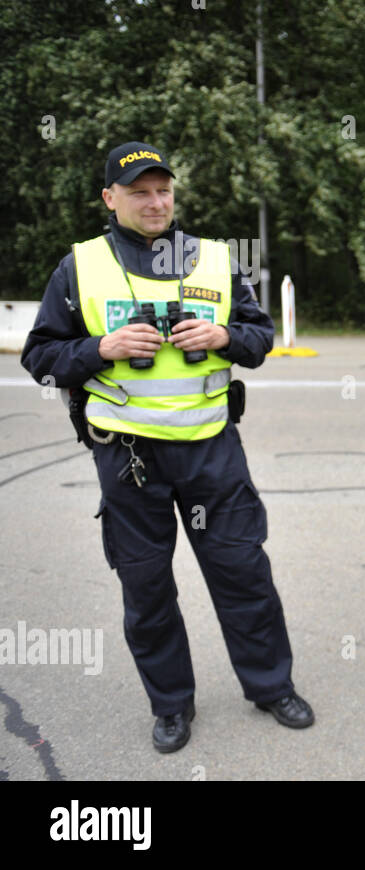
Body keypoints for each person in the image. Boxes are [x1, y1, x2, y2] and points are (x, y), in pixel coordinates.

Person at [21, 141, 313, 753]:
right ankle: (172, 705)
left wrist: (225, 335)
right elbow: (41, 358)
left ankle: (270, 686)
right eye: (139, 192)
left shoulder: (214, 260)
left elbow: (259, 338)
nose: (156, 202)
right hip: (128, 457)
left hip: (212, 450)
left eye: (163, 190)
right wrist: (99, 349)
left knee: (243, 573)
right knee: (148, 588)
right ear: (111, 198)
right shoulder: (80, 267)